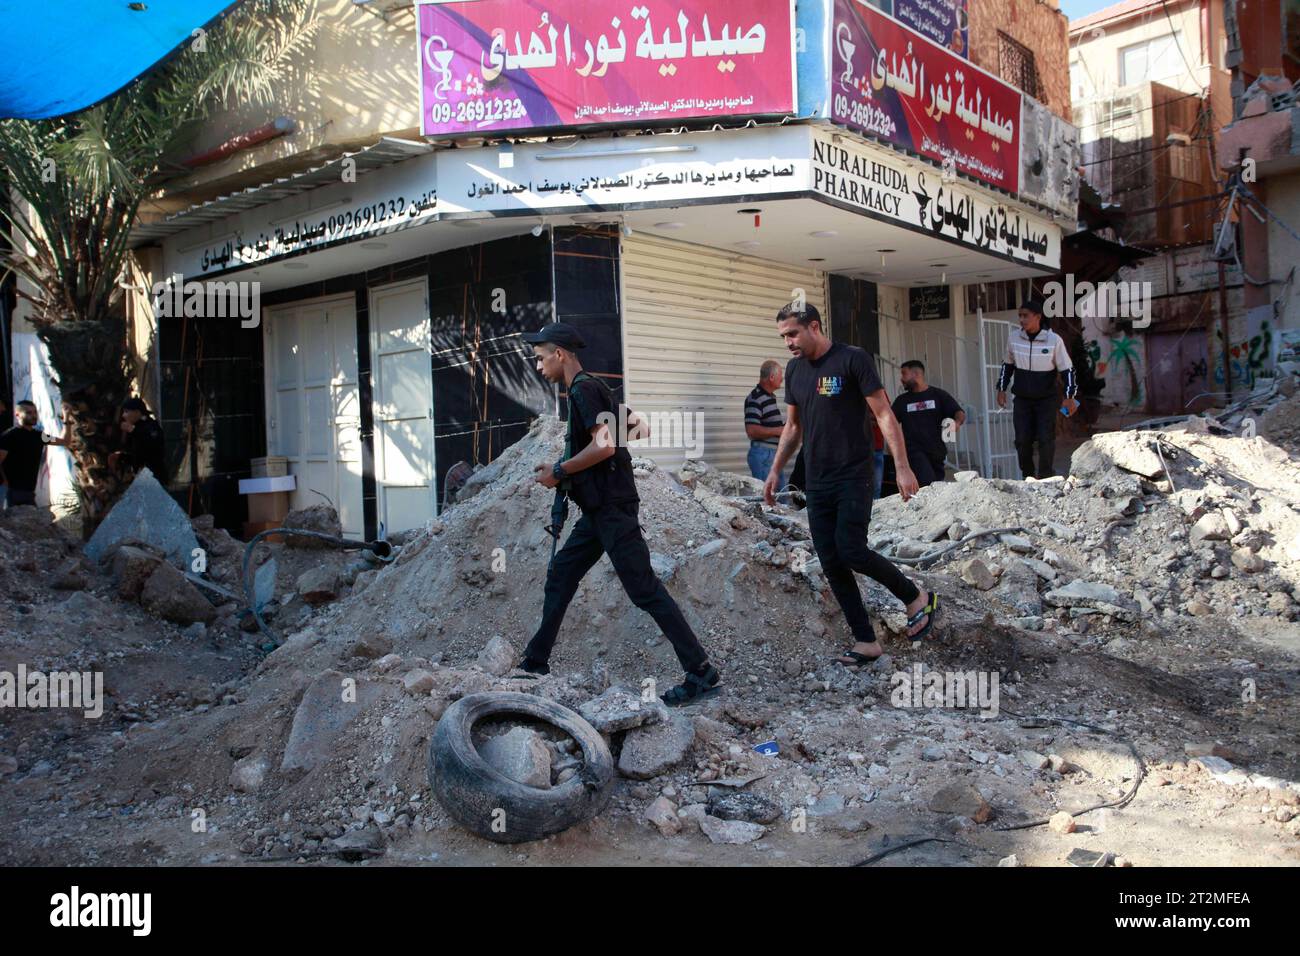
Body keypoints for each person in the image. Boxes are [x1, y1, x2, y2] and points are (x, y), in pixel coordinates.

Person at [518, 323, 721, 706]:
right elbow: (639, 428)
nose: (539, 366)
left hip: (612, 510)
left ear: (560, 354)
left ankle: (701, 672)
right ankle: (535, 661)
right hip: (599, 511)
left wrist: (561, 471)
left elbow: (606, 445)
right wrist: (584, 457)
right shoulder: (595, 388)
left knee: (644, 590)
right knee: (561, 574)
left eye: (541, 358)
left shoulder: (583, 389)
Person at [763, 304, 939, 666]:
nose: (788, 343)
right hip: (817, 479)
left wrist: (902, 467)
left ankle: (916, 597)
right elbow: (793, 427)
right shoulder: (795, 371)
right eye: (783, 337)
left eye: (793, 334)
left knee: (851, 549)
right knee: (831, 561)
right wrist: (775, 471)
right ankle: (865, 641)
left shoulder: (852, 359)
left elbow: (883, 413)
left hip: (855, 474)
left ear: (814, 327)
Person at [996, 298, 1079, 479]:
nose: (1022, 320)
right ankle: (1028, 475)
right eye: (1020, 316)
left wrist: (1069, 396)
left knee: (1045, 438)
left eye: (1026, 316)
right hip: (1022, 399)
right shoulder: (1014, 338)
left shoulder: (1053, 340)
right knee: (1022, 440)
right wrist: (1001, 389)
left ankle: (1046, 475)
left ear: (1038, 317)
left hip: (1046, 400)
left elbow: (1067, 369)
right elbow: (1007, 365)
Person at [891, 360, 966, 488]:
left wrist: (956, 423)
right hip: (914, 452)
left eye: (904, 374)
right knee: (928, 483)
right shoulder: (901, 401)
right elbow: (890, 422)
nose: (901, 379)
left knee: (936, 487)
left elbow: (958, 412)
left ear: (915, 374)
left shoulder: (939, 395)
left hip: (937, 452)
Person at [0, 400, 70, 507]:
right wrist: (5, 484)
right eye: (28, 413)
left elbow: (65, 441)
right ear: (17, 415)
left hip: (29, 493)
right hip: (11, 492)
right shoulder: (9, 436)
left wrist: (66, 418)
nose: (33, 416)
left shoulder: (38, 436)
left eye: (34, 412)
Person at [744, 360, 787, 488]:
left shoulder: (770, 397)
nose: (782, 378)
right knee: (769, 501)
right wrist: (779, 430)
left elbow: (770, 426)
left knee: (780, 499)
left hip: (771, 455)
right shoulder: (755, 398)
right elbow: (751, 430)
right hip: (764, 455)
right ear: (772, 377)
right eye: (780, 375)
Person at [109, 397, 166, 480]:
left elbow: (153, 446)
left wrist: (133, 431)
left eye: (126, 412)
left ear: (137, 412)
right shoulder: (137, 428)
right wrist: (121, 456)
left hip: (155, 476)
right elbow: (138, 454)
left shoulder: (151, 425)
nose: (123, 415)